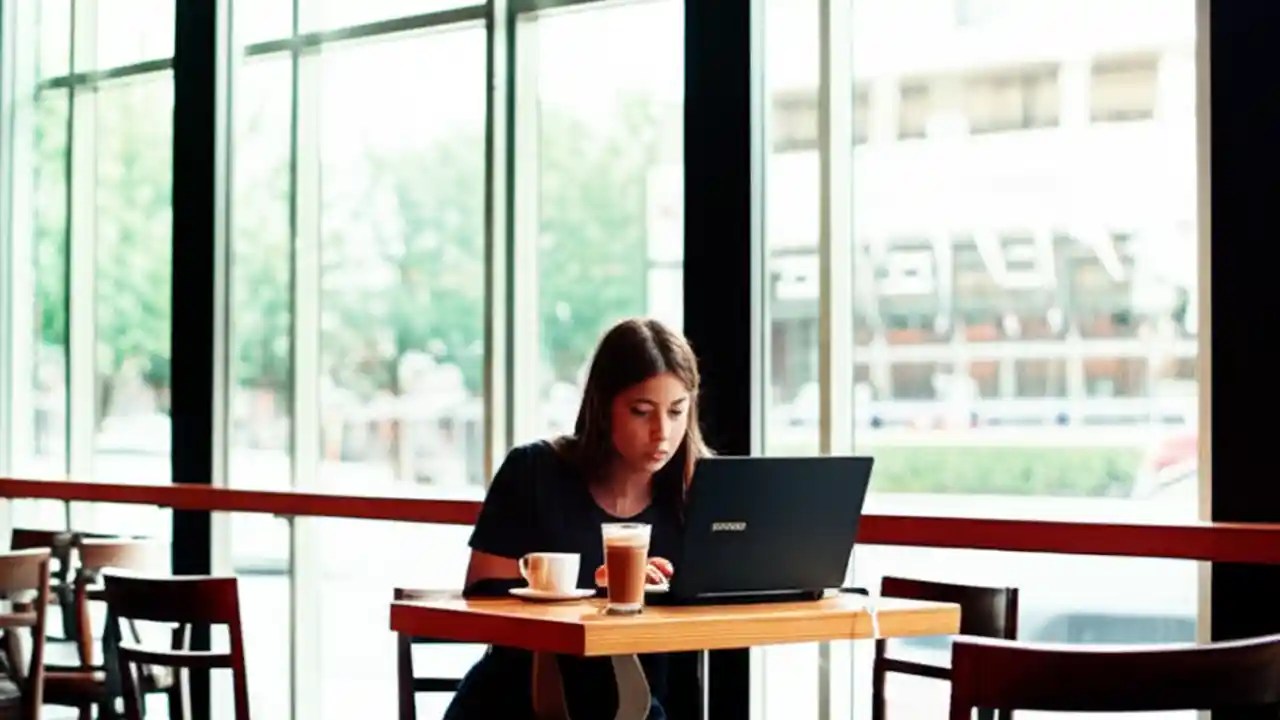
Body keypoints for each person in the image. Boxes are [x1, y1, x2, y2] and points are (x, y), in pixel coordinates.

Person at [443, 317, 711, 719]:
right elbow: (484, 595)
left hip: (644, 701)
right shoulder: (534, 471)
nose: (662, 432)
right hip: (518, 699)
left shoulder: (699, 492)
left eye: (676, 412)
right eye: (641, 411)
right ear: (603, 409)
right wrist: (601, 593)